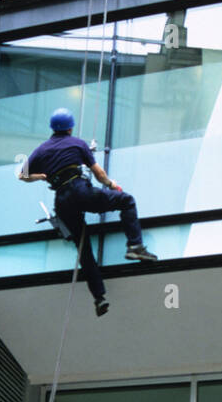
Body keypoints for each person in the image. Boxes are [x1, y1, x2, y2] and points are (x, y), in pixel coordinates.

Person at [18, 108, 157, 317]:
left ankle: (99, 297)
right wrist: (111, 184)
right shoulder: (77, 143)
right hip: (80, 190)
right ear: (70, 127)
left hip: (62, 201)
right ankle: (135, 246)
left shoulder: (41, 150)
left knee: (83, 247)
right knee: (127, 201)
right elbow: (98, 173)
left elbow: (22, 175)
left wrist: (41, 176)